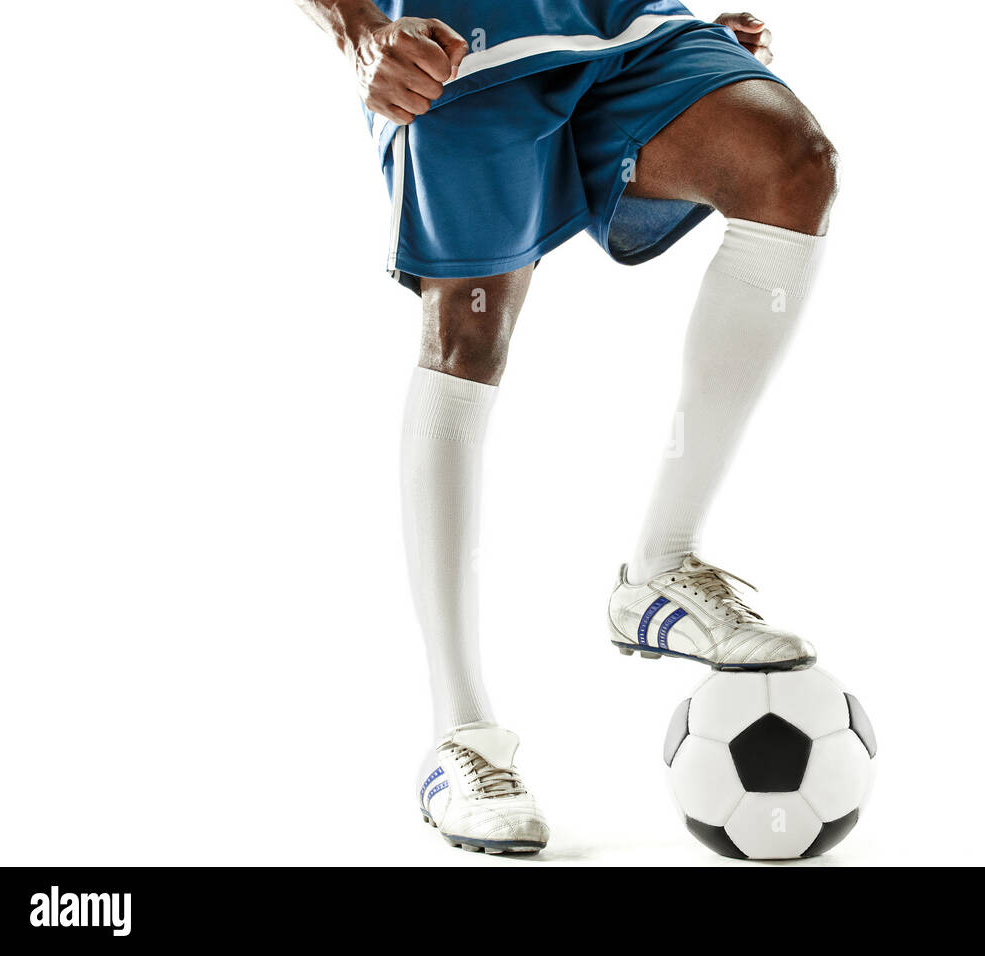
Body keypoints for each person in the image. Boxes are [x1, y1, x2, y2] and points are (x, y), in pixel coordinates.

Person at [296, 0, 838, 854]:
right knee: (469, 333)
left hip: (625, 22)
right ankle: (460, 734)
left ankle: (659, 569)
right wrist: (357, 27)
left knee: (790, 163)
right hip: (457, 43)